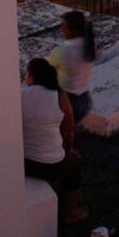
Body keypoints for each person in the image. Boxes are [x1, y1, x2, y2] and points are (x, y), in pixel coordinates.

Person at [21, 58, 87, 224]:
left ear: (31, 77)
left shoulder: (19, 95)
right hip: (51, 167)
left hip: (23, 163)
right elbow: (68, 132)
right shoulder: (59, 96)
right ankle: (71, 212)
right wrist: (69, 150)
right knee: (74, 164)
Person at [47, 11, 96, 124]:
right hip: (84, 99)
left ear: (74, 31)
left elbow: (44, 66)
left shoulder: (64, 51)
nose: (62, 30)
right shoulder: (88, 46)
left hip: (67, 102)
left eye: (64, 27)